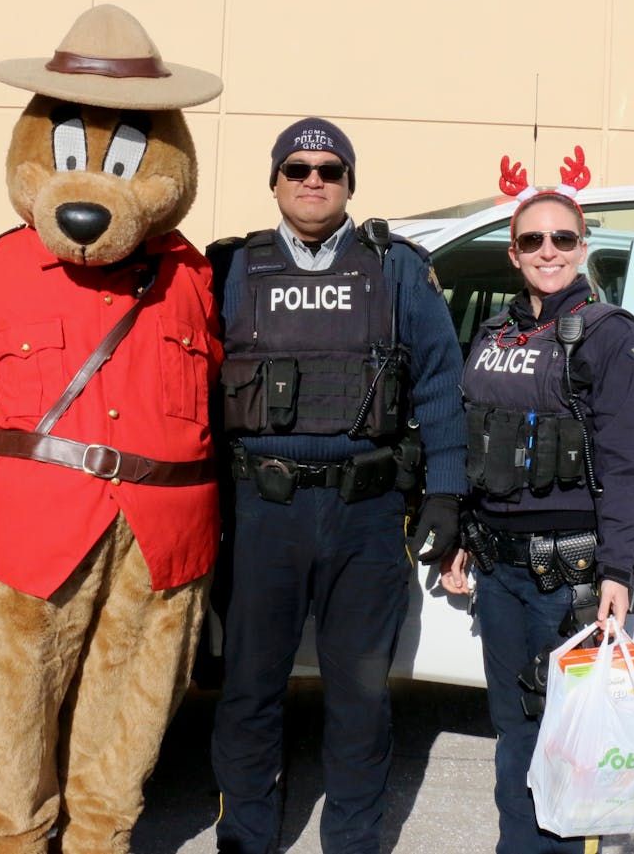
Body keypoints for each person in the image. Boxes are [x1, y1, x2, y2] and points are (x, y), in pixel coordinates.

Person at [209, 117, 467, 854]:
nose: (313, 179)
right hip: (263, 509)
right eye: (297, 168)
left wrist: (446, 495)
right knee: (249, 688)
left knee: (359, 697)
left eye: (329, 168)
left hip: (366, 511)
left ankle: (352, 841)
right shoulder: (229, 269)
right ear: (275, 181)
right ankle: (247, 835)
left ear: (350, 181)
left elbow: (442, 390)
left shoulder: (397, 270)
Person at [439, 151, 634, 854]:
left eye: (562, 239)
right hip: (498, 572)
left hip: (569, 577)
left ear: (582, 246)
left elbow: (632, 466)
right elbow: (479, 444)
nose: (548, 252)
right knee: (514, 735)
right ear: (513, 252)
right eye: (532, 240)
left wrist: (619, 571)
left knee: (569, 743)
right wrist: (463, 536)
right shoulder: (496, 333)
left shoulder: (607, 334)